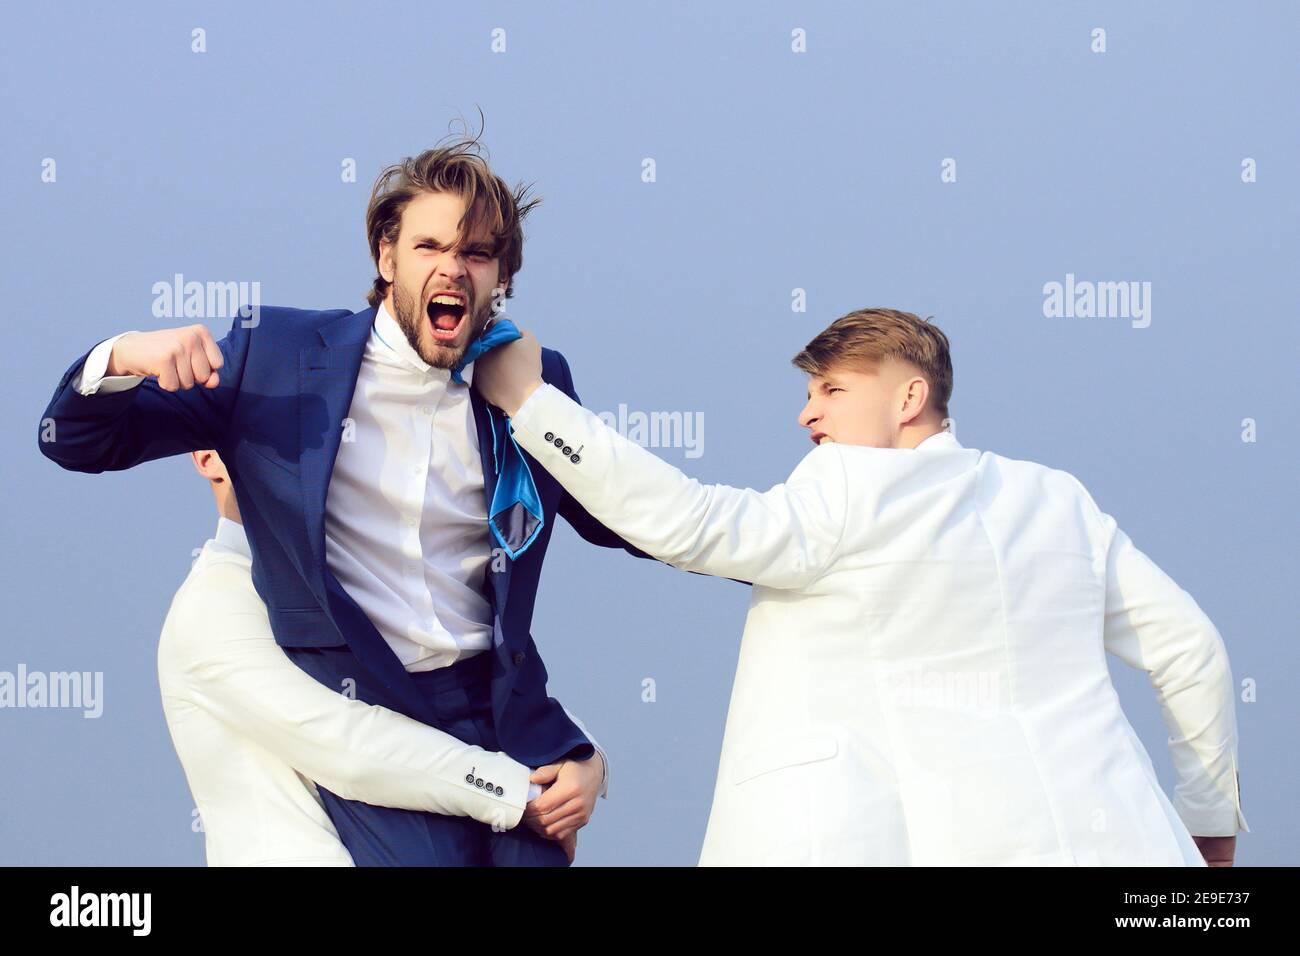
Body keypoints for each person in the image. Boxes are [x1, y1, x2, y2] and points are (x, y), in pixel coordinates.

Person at [37, 132, 641, 865]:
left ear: (501, 277)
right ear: (387, 257)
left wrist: (585, 752)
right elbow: (78, 442)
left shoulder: (532, 382)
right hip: (379, 706)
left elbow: (630, 519)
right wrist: (123, 354)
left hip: (503, 712)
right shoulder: (279, 360)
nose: (453, 267)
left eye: (478, 253)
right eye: (429, 246)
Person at [474, 307, 1250, 866]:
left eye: (832, 391)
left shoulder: (850, 487)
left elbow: (689, 521)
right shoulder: (1058, 499)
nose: (806, 415)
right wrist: (1209, 827)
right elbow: (1192, 650)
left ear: (909, 398)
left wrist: (530, 403)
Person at [160, 448, 609, 865]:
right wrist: (523, 793)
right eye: (266, 434)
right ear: (207, 458)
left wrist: (579, 757)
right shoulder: (212, 603)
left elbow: (463, 682)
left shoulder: (354, 581)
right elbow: (344, 743)